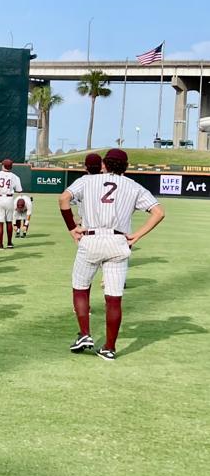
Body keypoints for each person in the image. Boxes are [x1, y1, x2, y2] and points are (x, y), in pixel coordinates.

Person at [58, 148, 165, 361]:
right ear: (125, 167)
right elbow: (159, 212)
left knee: (80, 288)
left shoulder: (88, 181)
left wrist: (71, 227)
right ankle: (109, 348)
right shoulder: (134, 186)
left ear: (104, 164)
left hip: (90, 238)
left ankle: (85, 334)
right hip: (118, 241)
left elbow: (63, 199)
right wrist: (136, 236)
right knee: (114, 298)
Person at [0, 159, 24, 250]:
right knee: (9, 222)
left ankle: (0, 244)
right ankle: (9, 243)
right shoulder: (15, 176)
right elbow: (19, 190)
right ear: (11, 166)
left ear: (2, 165)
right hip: (9, 198)